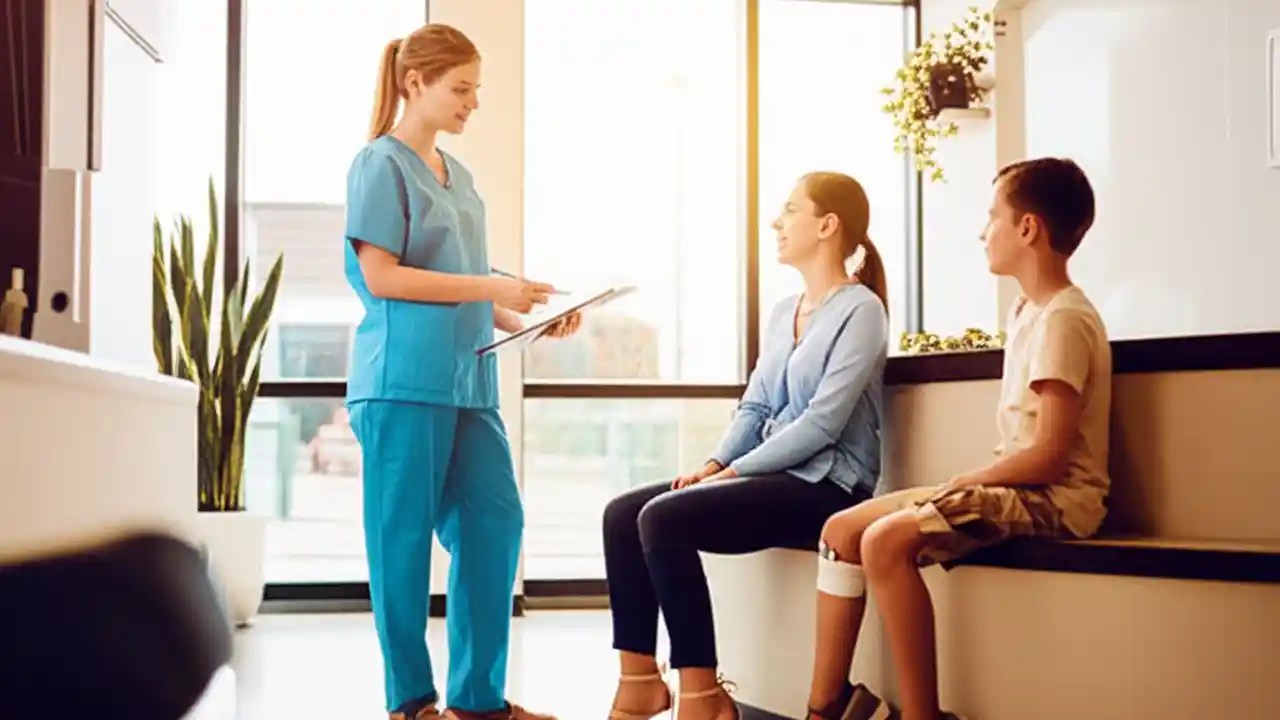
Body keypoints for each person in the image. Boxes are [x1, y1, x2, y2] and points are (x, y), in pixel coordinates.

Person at [803, 158, 1111, 720]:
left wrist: (968, 479)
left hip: (1057, 501)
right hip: (1020, 488)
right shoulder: (1028, 310)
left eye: (992, 216)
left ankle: (923, 715)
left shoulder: (1064, 320)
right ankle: (826, 706)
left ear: (1028, 228)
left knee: (884, 542)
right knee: (841, 531)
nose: (982, 231)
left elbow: (1049, 456)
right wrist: (969, 482)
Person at [343, 23, 579, 720]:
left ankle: (477, 701)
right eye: (461, 88)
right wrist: (492, 289)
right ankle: (412, 702)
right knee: (401, 544)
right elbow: (384, 276)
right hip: (402, 382)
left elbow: (463, 276)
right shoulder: (378, 165)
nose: (473, 102)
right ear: (414, 83)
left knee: (494, 521)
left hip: (469, 383)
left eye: (477, 89)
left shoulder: (459, 176)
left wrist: (522, 313)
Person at [602, 172, 891, 720]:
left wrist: (732, 475)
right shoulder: (785, 312)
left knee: (663, 519)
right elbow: (755, 407)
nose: (777, 222)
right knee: (622, 514)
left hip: (829, 486)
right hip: (770, 477)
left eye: (791, 209)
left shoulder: (862, 311)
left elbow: (822, 424)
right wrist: (713, 463)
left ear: (827, 225)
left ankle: (702, 696)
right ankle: (639, 683)